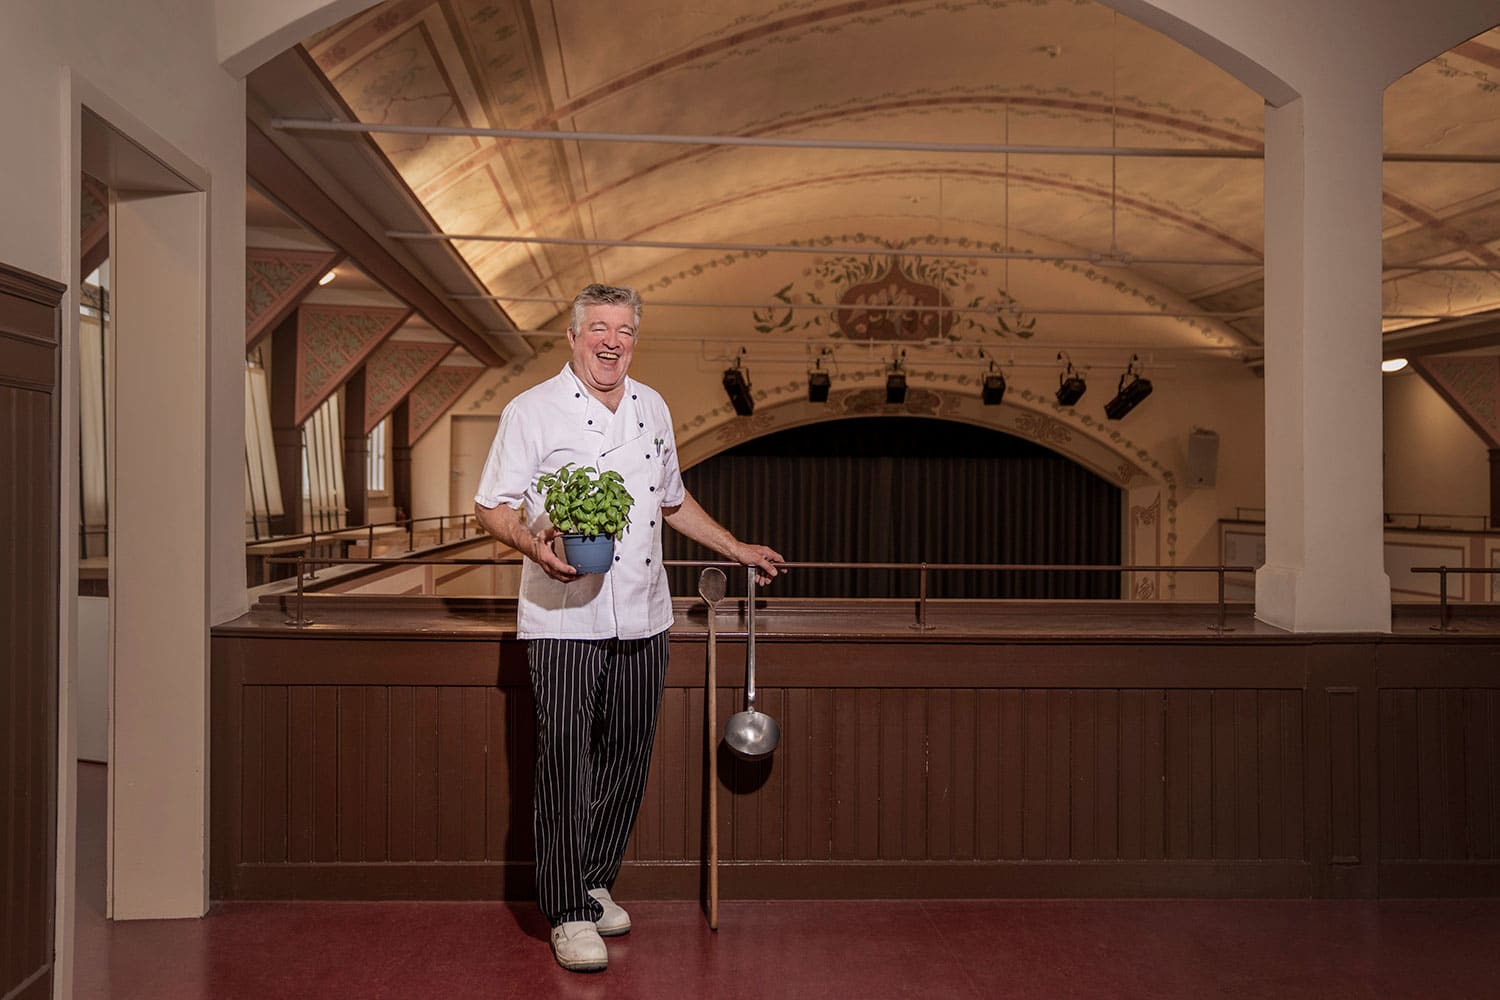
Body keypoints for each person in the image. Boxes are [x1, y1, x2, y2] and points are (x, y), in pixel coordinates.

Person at [473, 283, 783, 973]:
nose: (612, 341)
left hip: (645, 612)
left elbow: (672, 501)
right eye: (599, 329)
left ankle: (591, 879)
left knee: (629, 753)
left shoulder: (653, 407)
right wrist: (535, 548)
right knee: (563, 762)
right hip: (563, 620)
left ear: (634, 339)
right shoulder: (533, 411)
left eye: (624, 330)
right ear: (575, 336)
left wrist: (734, 546)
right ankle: (566, 912)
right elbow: (491, 508)